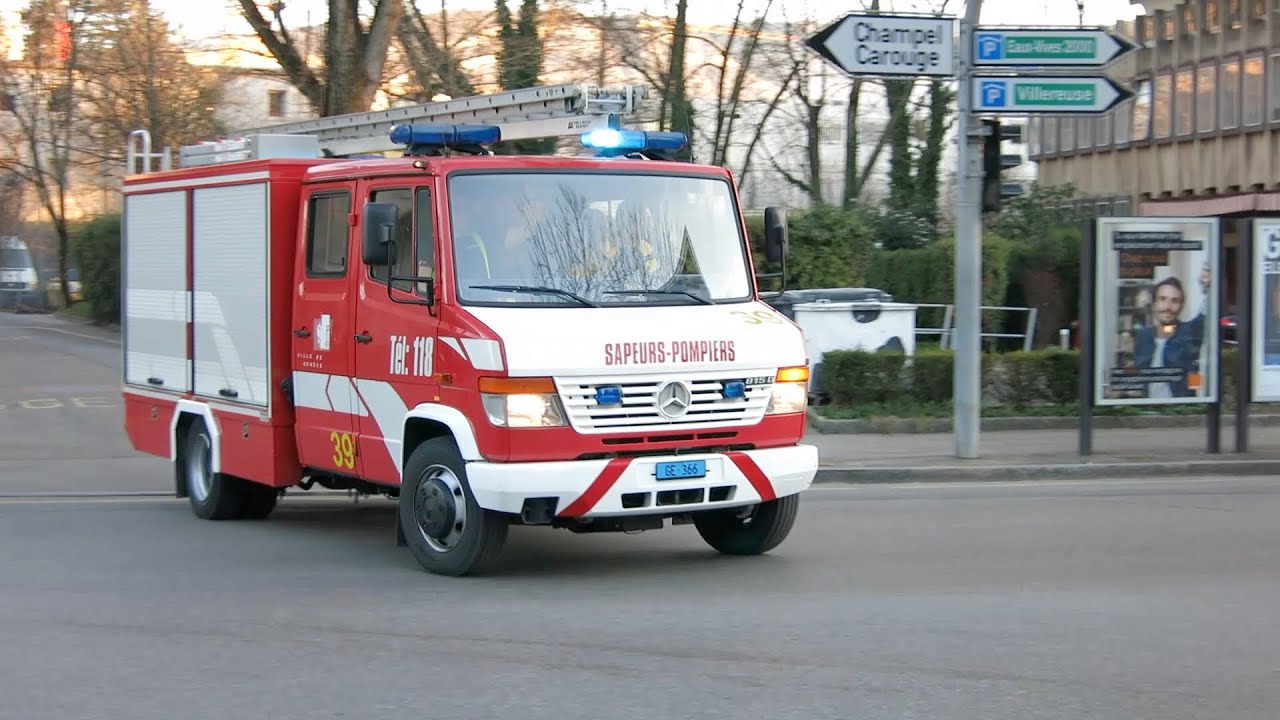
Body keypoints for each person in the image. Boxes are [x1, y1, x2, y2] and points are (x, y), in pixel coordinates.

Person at [1131, 268, 1209, 398]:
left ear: (1181, 306)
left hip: (1180, 410)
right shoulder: (1143, 336)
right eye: (1162, 299)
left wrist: (1207, 288)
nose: (1168, 306)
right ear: (1154, 303)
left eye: (1175, 301)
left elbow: (1208, 312)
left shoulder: (1189, 332)